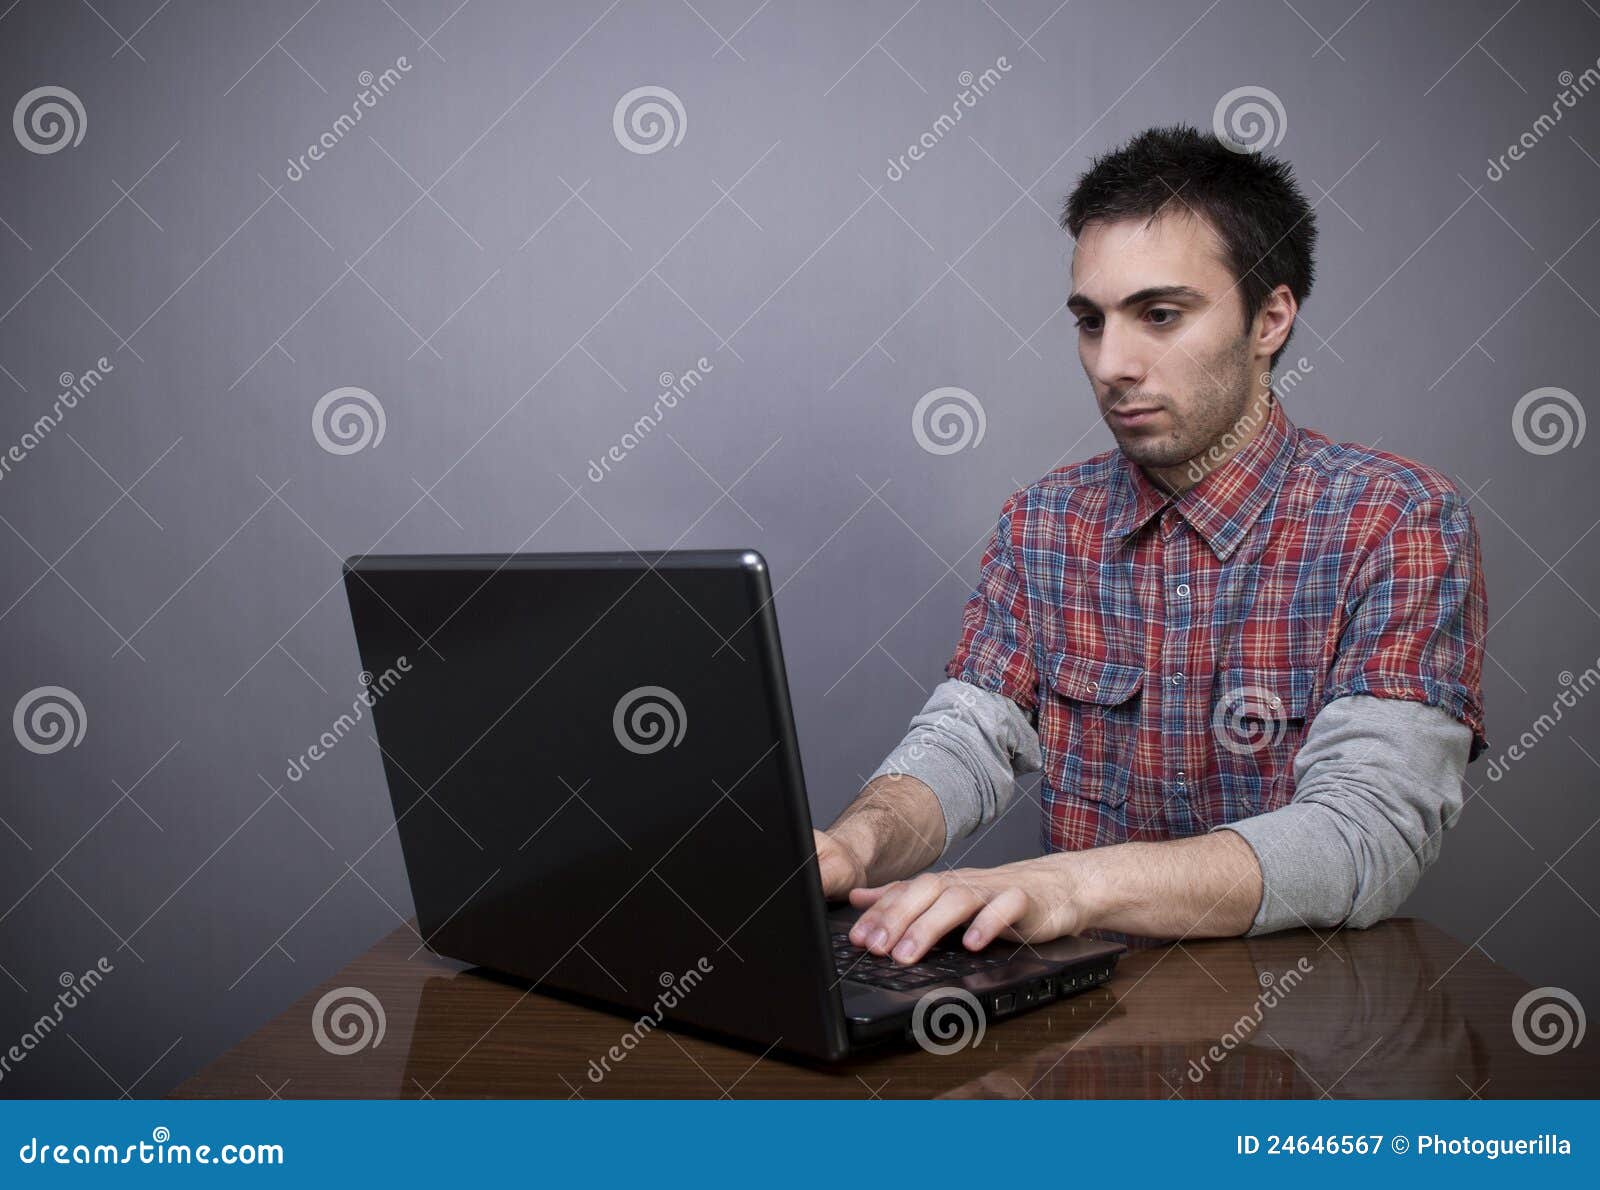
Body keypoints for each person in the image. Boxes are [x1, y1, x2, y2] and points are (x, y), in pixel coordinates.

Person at [817, 124, 1487, 966]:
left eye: (1159, 315)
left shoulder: (1399, 521)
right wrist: (854, 846)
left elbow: (1368, 831)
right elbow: (969, 740)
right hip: (1076, 1038)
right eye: (1090, 322)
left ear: (1269, 318)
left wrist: (1069, 885)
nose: (1112, 363)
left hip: (1299, 1052)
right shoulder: (1042, 523)